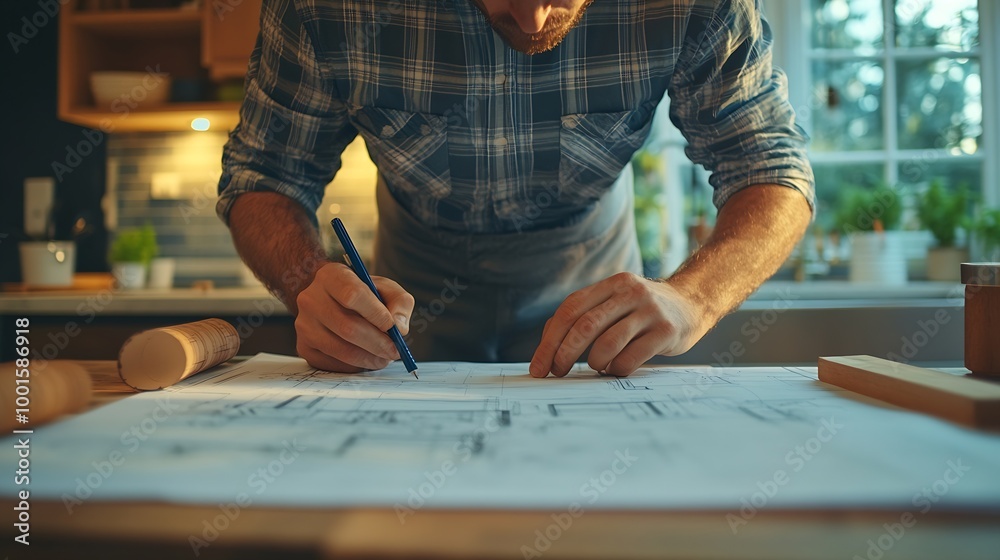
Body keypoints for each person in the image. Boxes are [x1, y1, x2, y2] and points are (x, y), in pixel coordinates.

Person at [217, 0, 814, 378]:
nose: (532, 19)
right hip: (409, 302)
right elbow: (266, 173)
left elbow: (769, 166)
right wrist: (308, 284)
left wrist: (694, 298)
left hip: (593, 293)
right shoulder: (327, 8)